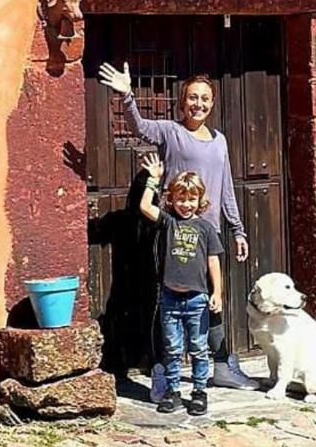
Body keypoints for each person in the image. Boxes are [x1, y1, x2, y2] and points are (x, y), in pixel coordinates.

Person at [98, 62, 259, 395]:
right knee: (163, 302)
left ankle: (221, 365)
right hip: (171, 235)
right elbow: (140, 127)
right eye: (192, 98)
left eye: (204, 99)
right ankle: (160, 370)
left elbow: (225, 187)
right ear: (181, 102)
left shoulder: (219, 141)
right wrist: (127, 96)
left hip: (206, 236)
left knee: (210, 301)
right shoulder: (171, 132)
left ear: (212, 104)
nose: (198, 104)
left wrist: (238, 229)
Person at [137, 153, 222, 415]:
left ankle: (199, 391)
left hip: (197, 299)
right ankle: (173, 391)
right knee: (172, 349)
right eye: (181, 199)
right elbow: (145, 208)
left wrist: (217, 291)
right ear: (172, 200)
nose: (186, 204)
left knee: (198, 348)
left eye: (192, 199)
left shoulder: (205, 228)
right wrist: (153, 180)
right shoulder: (169, 222)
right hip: (170, 299)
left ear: (200, 201)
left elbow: (213, 262)